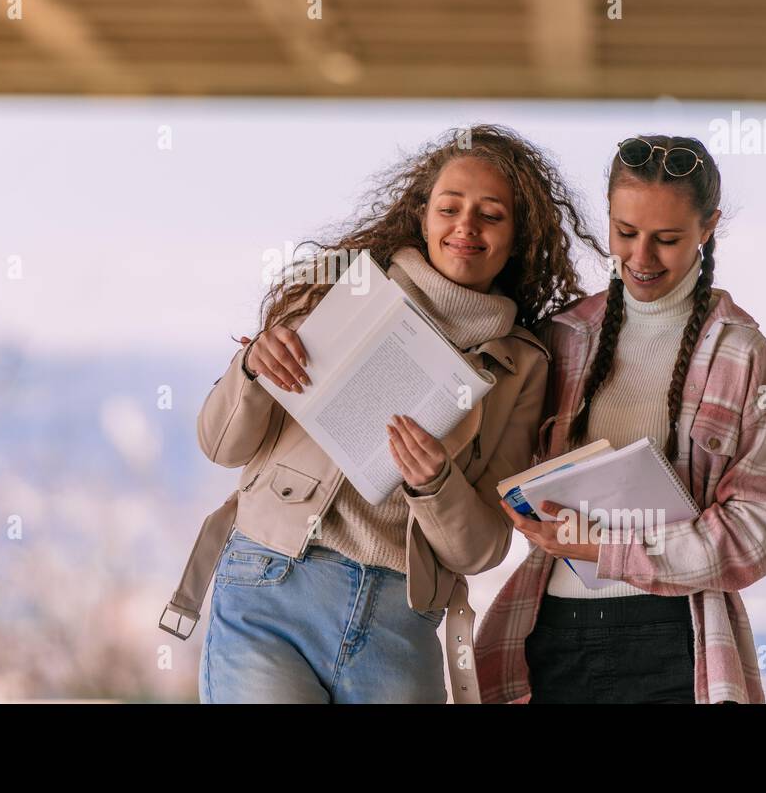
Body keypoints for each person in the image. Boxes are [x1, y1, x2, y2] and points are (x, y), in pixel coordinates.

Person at [160, 125, 602, 702]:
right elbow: (220, 447)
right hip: (273, 585)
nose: (466, 226)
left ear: (517, 236)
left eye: (491, 215)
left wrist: (436, 483)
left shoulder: (522, 366)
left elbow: (485, 548)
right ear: (423, 216)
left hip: (400, 622)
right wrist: (251, 369)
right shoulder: (333, 290)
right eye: (450, 207)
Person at [475, 135, 766, 704]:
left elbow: (755, 535)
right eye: (625, 234)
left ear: (708, 228)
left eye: (668, 239)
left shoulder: (745, 357)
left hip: (673, 640)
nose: (642, 258)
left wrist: (606, 549)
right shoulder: (563, 338)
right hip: (553, 633)